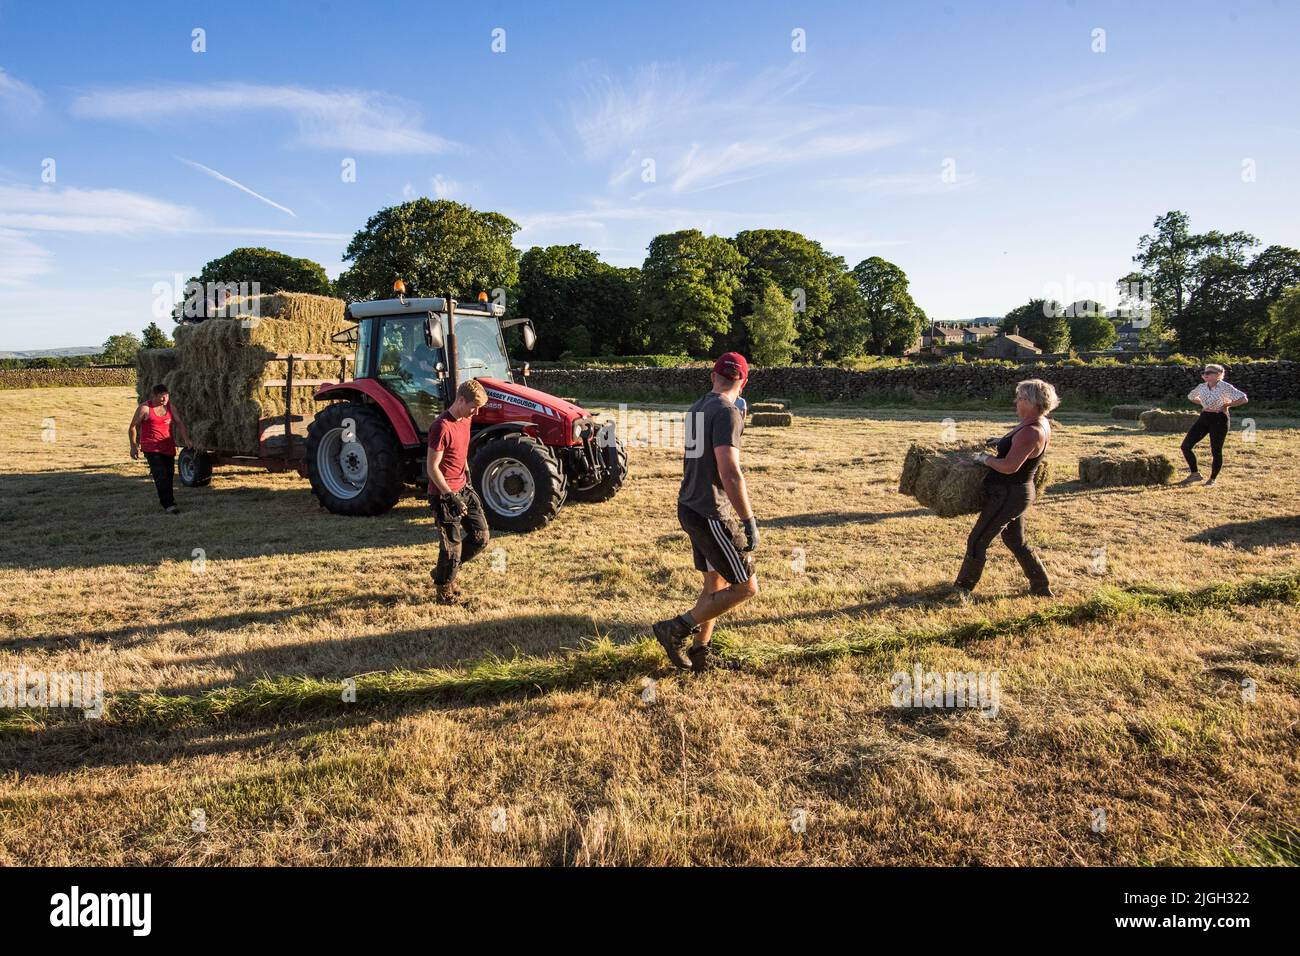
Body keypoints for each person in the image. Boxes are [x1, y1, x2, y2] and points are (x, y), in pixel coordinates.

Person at [653, 352, 760, 672]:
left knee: (714, 583)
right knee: (745, 586)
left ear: (713, 376)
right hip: (713, 513)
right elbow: (729, 471)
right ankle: (675, 628)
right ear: (743, 382)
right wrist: (748, 520)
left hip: (689, 505)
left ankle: (701, 652)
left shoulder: (699, 407)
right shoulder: (727, 413)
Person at [953, 379, 1058, 598]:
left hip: (1009, 493)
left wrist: (984, 458)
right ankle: (1041, 586)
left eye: (1019, 398)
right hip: (1016, 492)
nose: (1015, 401)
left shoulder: (1032, 430)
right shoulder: (1036, 422)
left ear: (1031, 402)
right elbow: (1018, 444)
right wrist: (1000, 441)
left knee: (977, 540)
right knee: (1015, 540)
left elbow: (1009, 466)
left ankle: (962, 589)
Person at [428, 378, 490, 605]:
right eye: (474, 406)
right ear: (461, 400)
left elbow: (460, 451)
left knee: (480, 537)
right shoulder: (441, 426)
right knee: (452, 548)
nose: (476, 412)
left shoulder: (465, 419)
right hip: (444, 495)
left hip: (463, 487)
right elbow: (432, 468)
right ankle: (443, 591)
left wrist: (467, 478)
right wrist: (449, 495)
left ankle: (443, 572)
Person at [1180, 363, 1247, 488]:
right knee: (1185, 446)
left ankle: (1212, 479)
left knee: (1216, 450)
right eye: (1204, 373)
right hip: (1204, 417)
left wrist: (1226, 405)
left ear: (1218, 375)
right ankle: (1195, 474)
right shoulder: (1202, 387)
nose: (1205, 375)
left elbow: (1243, 398)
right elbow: (1191, 397)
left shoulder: (1225, 387)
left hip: (1220, 419)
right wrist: (1204, 404)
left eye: (1208, 373)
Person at [128, 383, 192, 515]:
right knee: (160, 474)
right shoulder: (145, 408)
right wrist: (133, 446)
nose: (165, 400)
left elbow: (179, 423)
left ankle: (167, 500)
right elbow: (133, 426)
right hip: (151, 447)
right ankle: (168, 504)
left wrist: (186, 439)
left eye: (166, 396)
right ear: (154, 396)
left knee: (169, 474)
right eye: (162, 397)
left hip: (167, 445)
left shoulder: (170, 407)